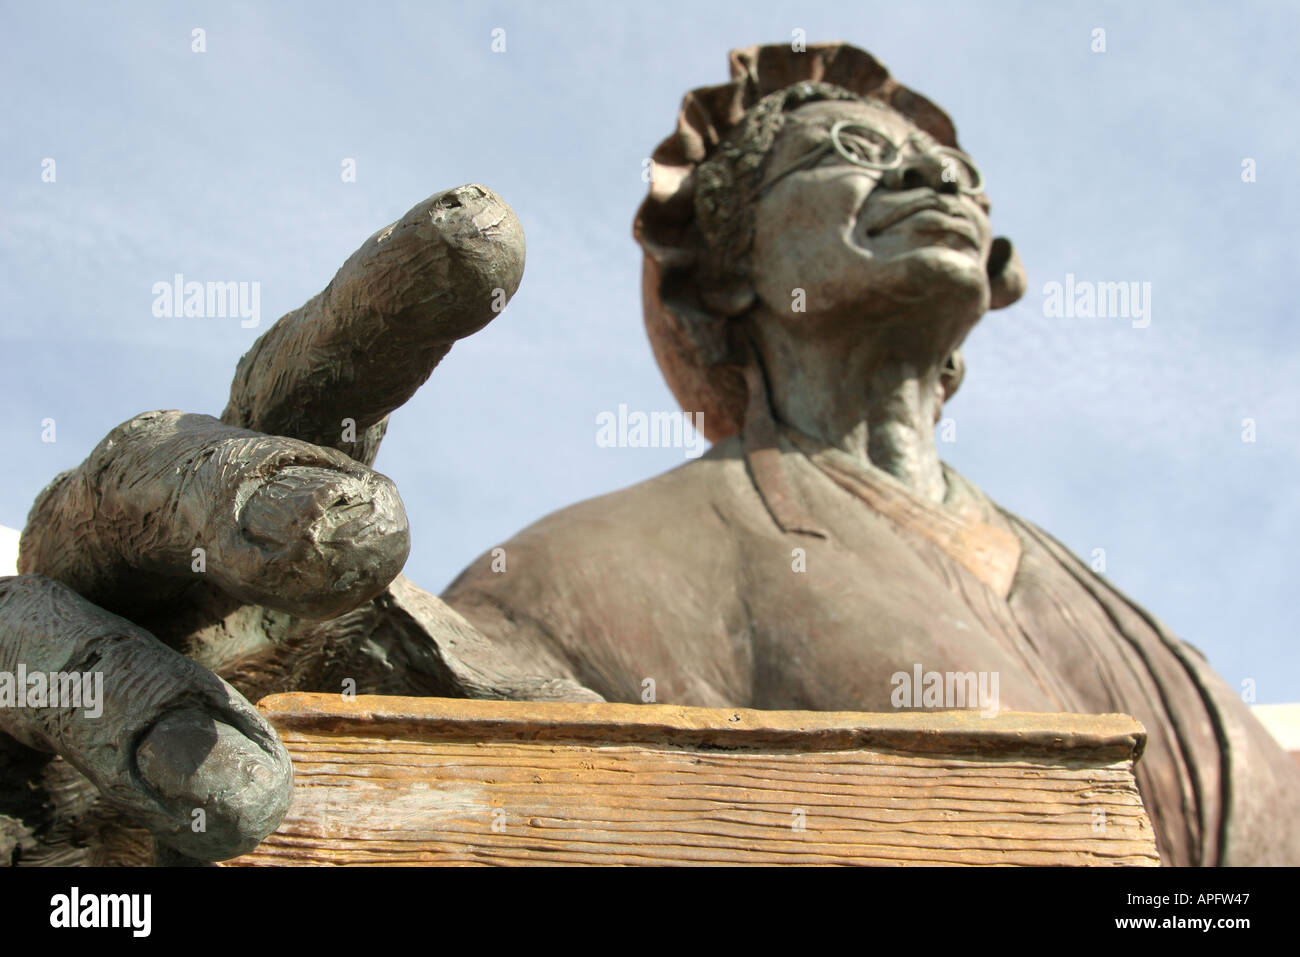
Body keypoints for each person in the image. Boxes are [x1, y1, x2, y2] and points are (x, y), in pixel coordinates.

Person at [2, 43, 1295, 867]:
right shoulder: (607, 567)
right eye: (849, 153)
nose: (930, 179)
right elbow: (448, 763)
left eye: (944, 165)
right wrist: (217, 703)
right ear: (731, 269)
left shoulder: (1146, 628)